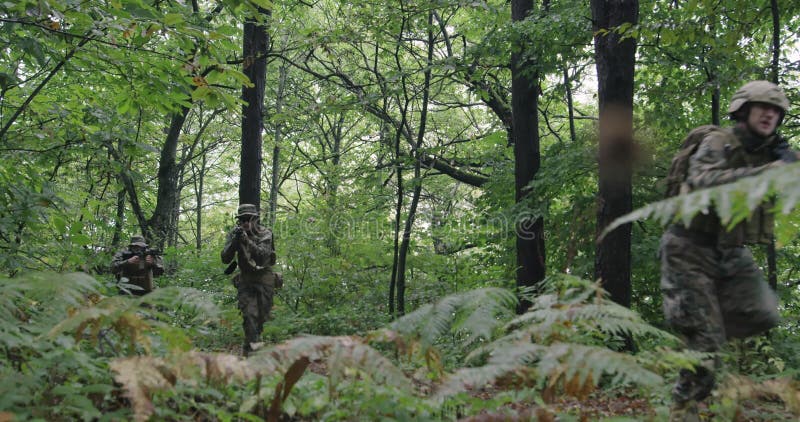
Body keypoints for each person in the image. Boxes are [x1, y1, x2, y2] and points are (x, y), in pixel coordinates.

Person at [659, 80, 796, 421]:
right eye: (762, 108)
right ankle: (682, 408)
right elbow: (703, 181)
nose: (769, 115)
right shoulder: (718, 141)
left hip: (730, 249)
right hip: (688, 247)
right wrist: (768, 172)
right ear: (743, 110)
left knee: (763, 313)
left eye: (776, 111)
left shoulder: (772, 151)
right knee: (707, 344)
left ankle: (703, 330)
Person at [221, 203, 279, 356]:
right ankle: (250, 353)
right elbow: (225, 258)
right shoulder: (235, 234)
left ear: (255, 219)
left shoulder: (265, 233)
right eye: (242, 219)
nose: (246, 222)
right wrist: (235, 241)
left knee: (261, 318)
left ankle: (256, 346)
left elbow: (263, 256)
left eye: (249, 219)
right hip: (246, 280)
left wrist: (247, 241)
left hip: (264, 279)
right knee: (249, 316)